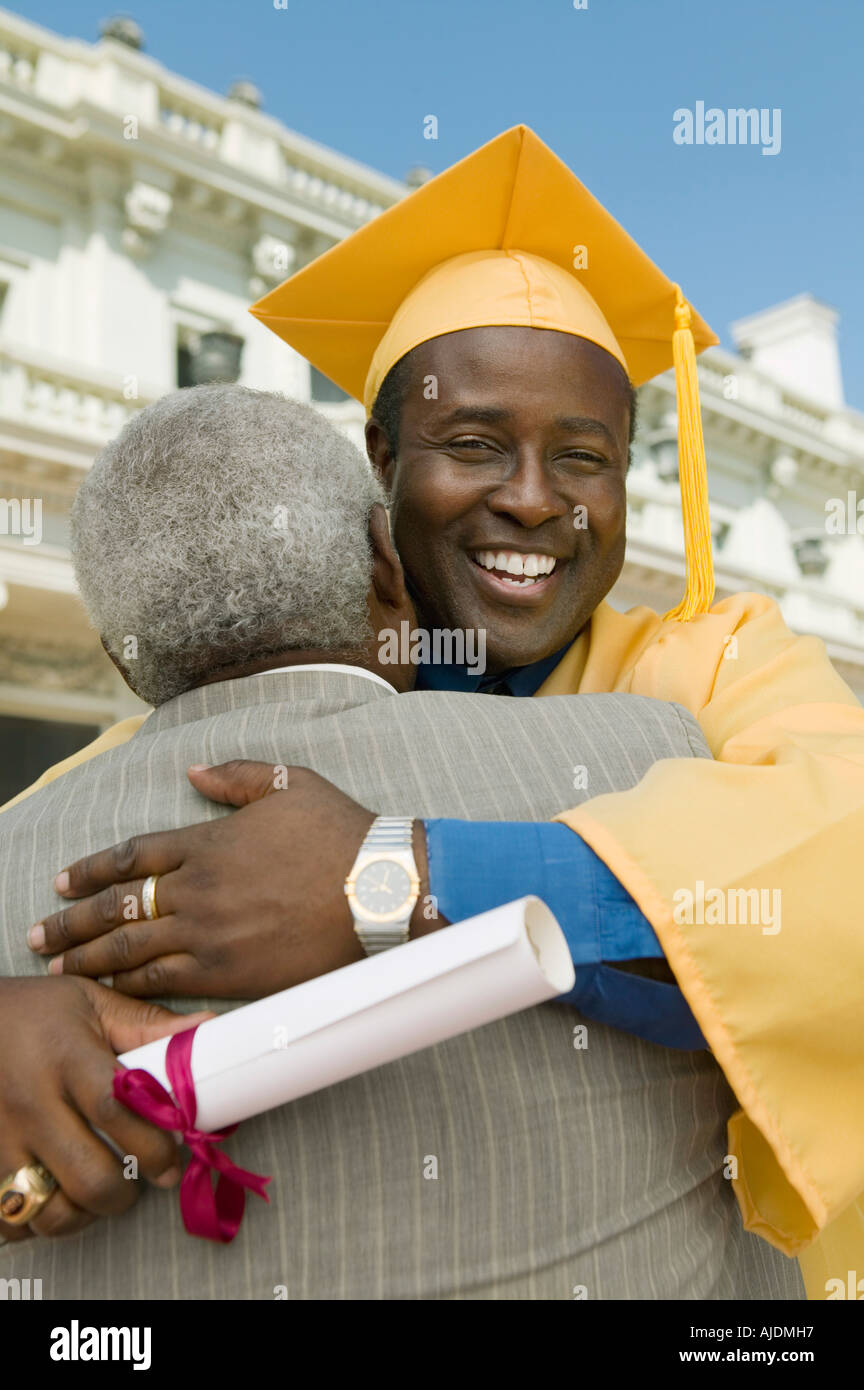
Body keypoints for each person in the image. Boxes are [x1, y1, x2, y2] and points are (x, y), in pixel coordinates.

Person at [6, 126, 862, 1293]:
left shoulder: (707, 674)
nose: (532, 500)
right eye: (472, 444)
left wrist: (402, 876)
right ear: (381, 466)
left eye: (584, 458)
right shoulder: (201, 748)